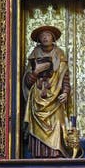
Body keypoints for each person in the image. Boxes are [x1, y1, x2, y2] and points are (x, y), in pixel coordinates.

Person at [23, 25, 71, 158]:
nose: (45, 38)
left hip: (55, 97)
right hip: (37, 98)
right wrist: (36, 72)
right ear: (38, 39)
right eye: (42, 36)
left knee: (56, 124)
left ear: (53, 38)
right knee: (37, 127)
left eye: (48, 35)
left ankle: (55, 153)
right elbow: (27, 81)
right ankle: (39, 154)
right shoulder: (34, 55)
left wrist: (65, 92)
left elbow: (64, 76)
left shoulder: (60, 54)